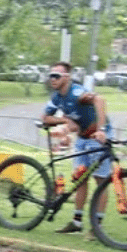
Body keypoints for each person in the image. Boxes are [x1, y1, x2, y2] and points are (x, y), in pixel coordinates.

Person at [41, 60, 112, 234]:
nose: (53, 79)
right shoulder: (57, 97)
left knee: (101, 181)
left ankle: (98, 226)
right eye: (51, 76)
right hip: (81, 138)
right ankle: (77, 222)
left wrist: (101, 130)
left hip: (96, 137)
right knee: (80, 179)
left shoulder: (77, 92)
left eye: (56, 76)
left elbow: (100, 100)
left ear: (67, 77)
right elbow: (45, 118)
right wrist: (64, 120)